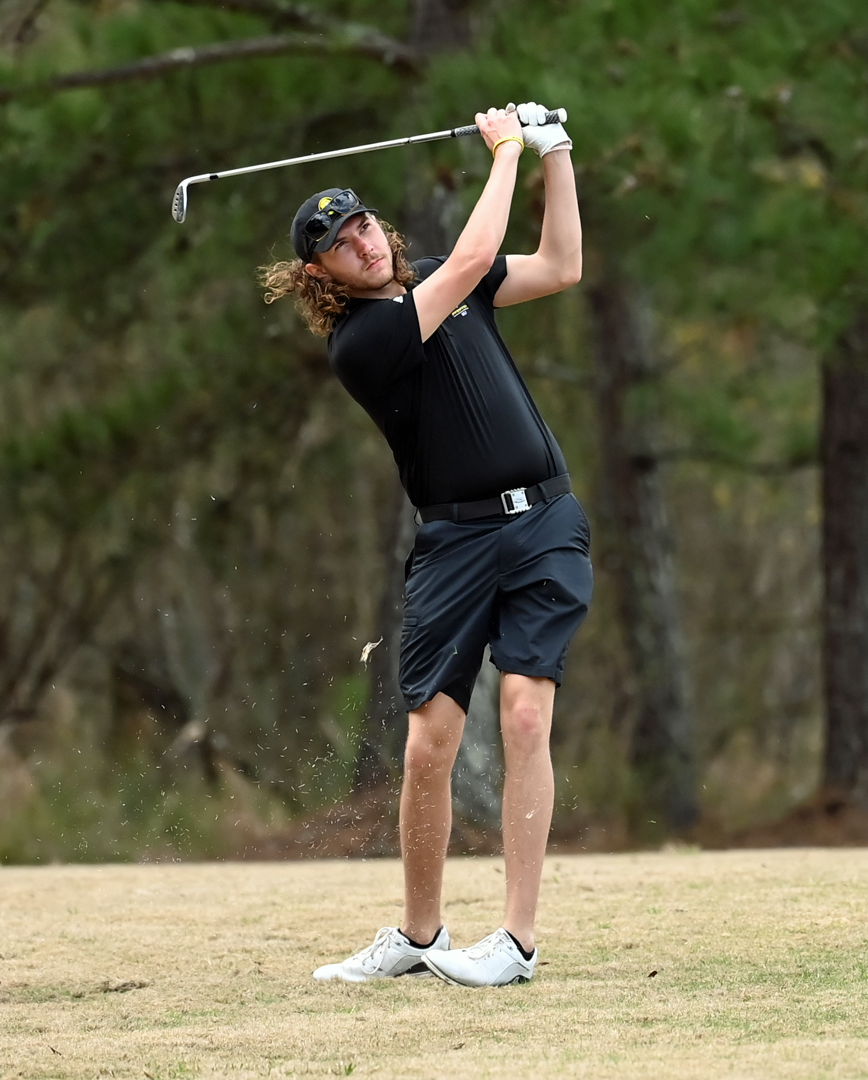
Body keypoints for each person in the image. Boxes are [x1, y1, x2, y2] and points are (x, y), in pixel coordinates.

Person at [259, 103, 588, 988]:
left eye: (362, 223)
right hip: (455, 543)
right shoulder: (361, 342)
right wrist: (507, 150)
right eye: (339, 242)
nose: (362, 242)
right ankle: (418, 933)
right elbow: (480, 255)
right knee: (426, 747)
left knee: (524, 712)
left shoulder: (445, 274)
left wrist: (554, 156)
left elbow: (561, 266)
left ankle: (515, 944)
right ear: (321, 272)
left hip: (545, 524)